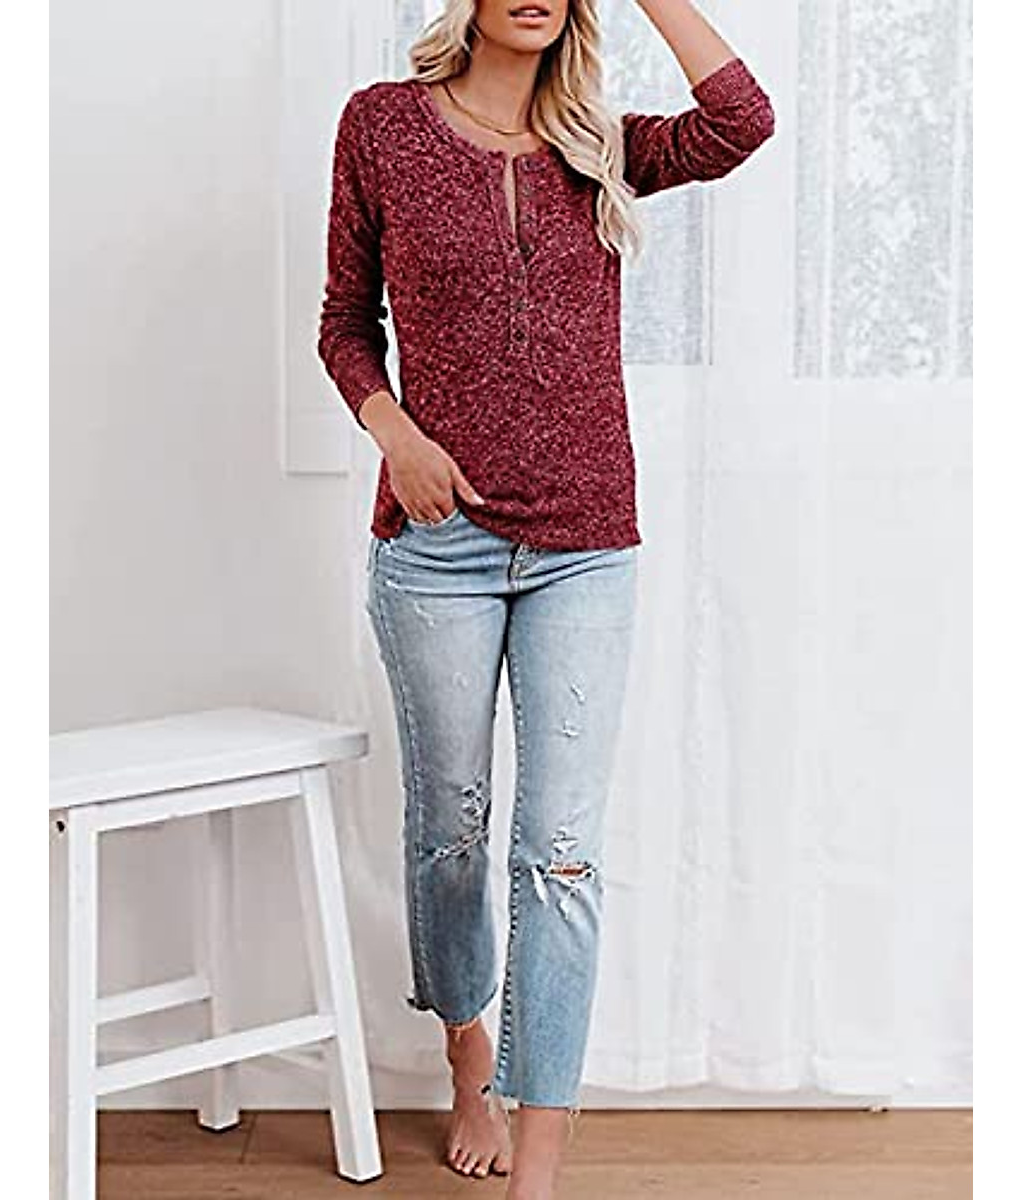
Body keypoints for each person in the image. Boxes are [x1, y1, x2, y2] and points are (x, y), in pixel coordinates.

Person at [317, 2, 774, 1195]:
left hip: (585, 546)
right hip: (438, 545)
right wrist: (395, 433)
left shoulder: (603, 146)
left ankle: (541, 1160)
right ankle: (468, 1048)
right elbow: (344, 325)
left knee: (560, 854)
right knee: (451, 831)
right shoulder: (382, 127)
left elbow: (743, 119)